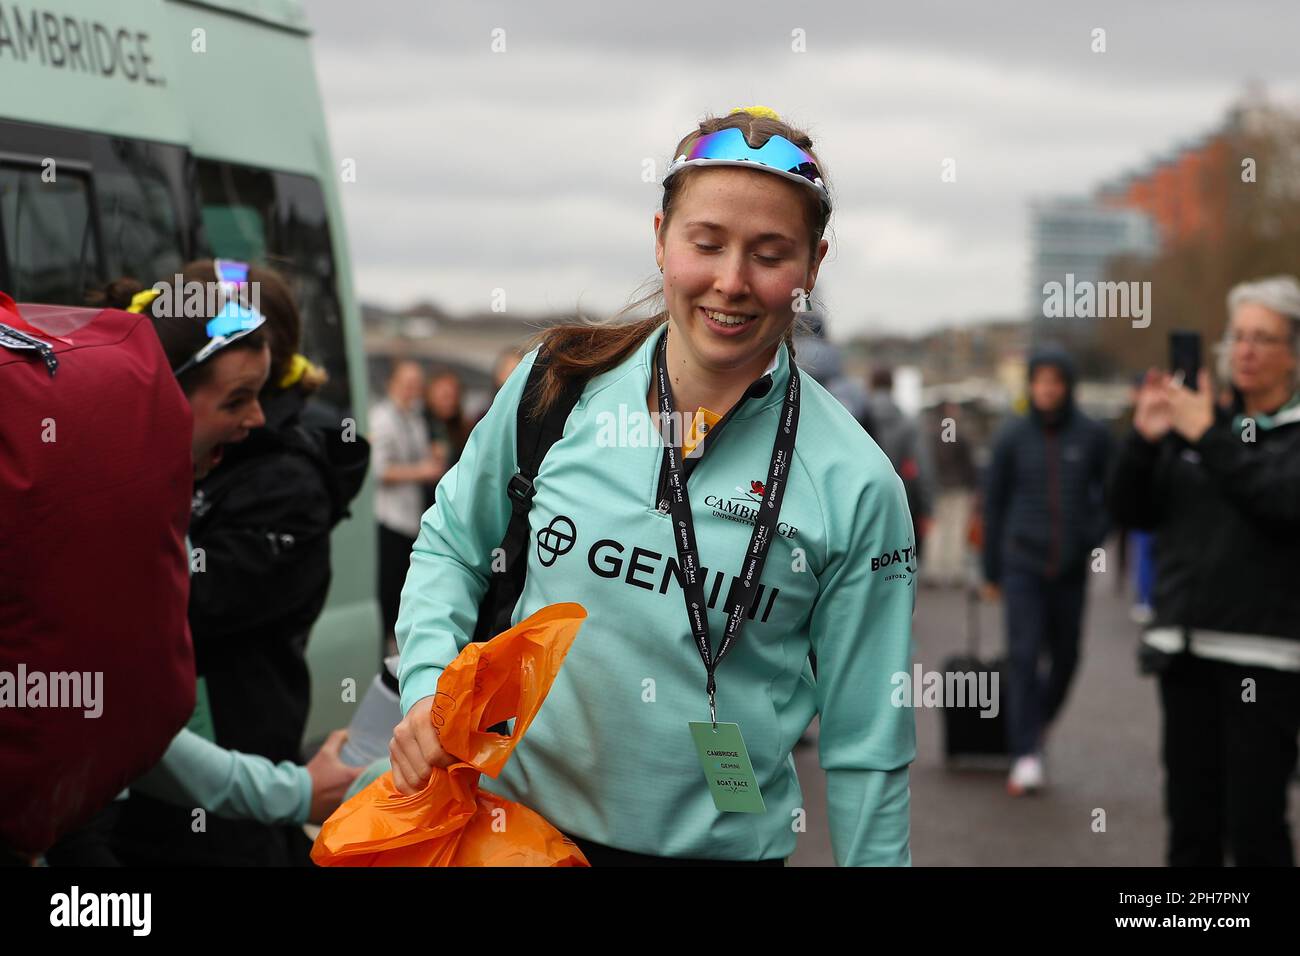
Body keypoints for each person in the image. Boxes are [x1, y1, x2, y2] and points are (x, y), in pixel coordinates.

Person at [388, 106, 916, 866]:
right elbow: (451, 546)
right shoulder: (557, 385)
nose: (731, 283)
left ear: (814, 266)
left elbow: (868, 743)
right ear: (661, 237)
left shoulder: (857, 484)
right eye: (707, 244)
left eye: (770, 254)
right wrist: (431, 695)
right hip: (512, 835)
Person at [47, 276, 360, 865]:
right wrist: (289, 793)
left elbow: (130, 725)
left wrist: (286, 795)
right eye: (236, 400)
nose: (257, 419)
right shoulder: (94, 518)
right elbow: (123, 720)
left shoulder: (141, 498)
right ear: (160, 396)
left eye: (260, 395)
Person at [1107, 275, 1300, 867]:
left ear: (1293, 353)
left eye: (1263, 338)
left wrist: (1208, 434)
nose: (1244, 351)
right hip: (1185, 649)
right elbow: (1130, 512)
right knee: (1190, 822)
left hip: (1262, 655)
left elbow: (1279, 503)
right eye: (1237, 336)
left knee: (1255, 824)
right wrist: (1143, 442)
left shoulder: (1240, 432)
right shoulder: (1200, 424)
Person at [981, 343, 1112, 796]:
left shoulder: (1093, 435)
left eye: (1056, 382)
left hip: (1071, 568)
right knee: (1023, 656)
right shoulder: (1012, 436)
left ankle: (1037, 725)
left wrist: (1091, 536)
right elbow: (993, 503)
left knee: (1068, 657)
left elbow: (1112, 492)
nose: (1047, 390)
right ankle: (1025, 756)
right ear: (1031, 385)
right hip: (1022, 564)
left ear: (1068, 386)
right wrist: (990, 569)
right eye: (1040, 381)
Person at [371, 360, 442, 655]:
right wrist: (422, 470)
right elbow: (379, 471)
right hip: (388, 521)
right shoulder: (381, 418)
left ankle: (396, 651)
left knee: (404, 595)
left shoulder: (414, 417)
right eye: (406, 383)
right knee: (386, 596)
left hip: (410, 521)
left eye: (417, 384)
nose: (412, 389)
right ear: (392, 384)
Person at [864, 367, 934, 558]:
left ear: (870, 385)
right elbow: (922, 470)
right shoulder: (908, 423)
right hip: (901, 504)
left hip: (864, 506)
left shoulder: (855, 419)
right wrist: (927, 509)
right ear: (892, 386)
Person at [921, 401, 978, 587]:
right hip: (957, 487)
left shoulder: (930, 433)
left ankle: (933, 570)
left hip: (936, 487)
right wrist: (974, 485)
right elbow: (969, 463)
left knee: (936, 529)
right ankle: (954, 571)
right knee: (955, 529)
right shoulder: (955, 431)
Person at [423, 368, 471, 510]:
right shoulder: (421, 424)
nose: (449, 401)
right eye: (444, 396)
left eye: (453, 396)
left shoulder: (463, 427)